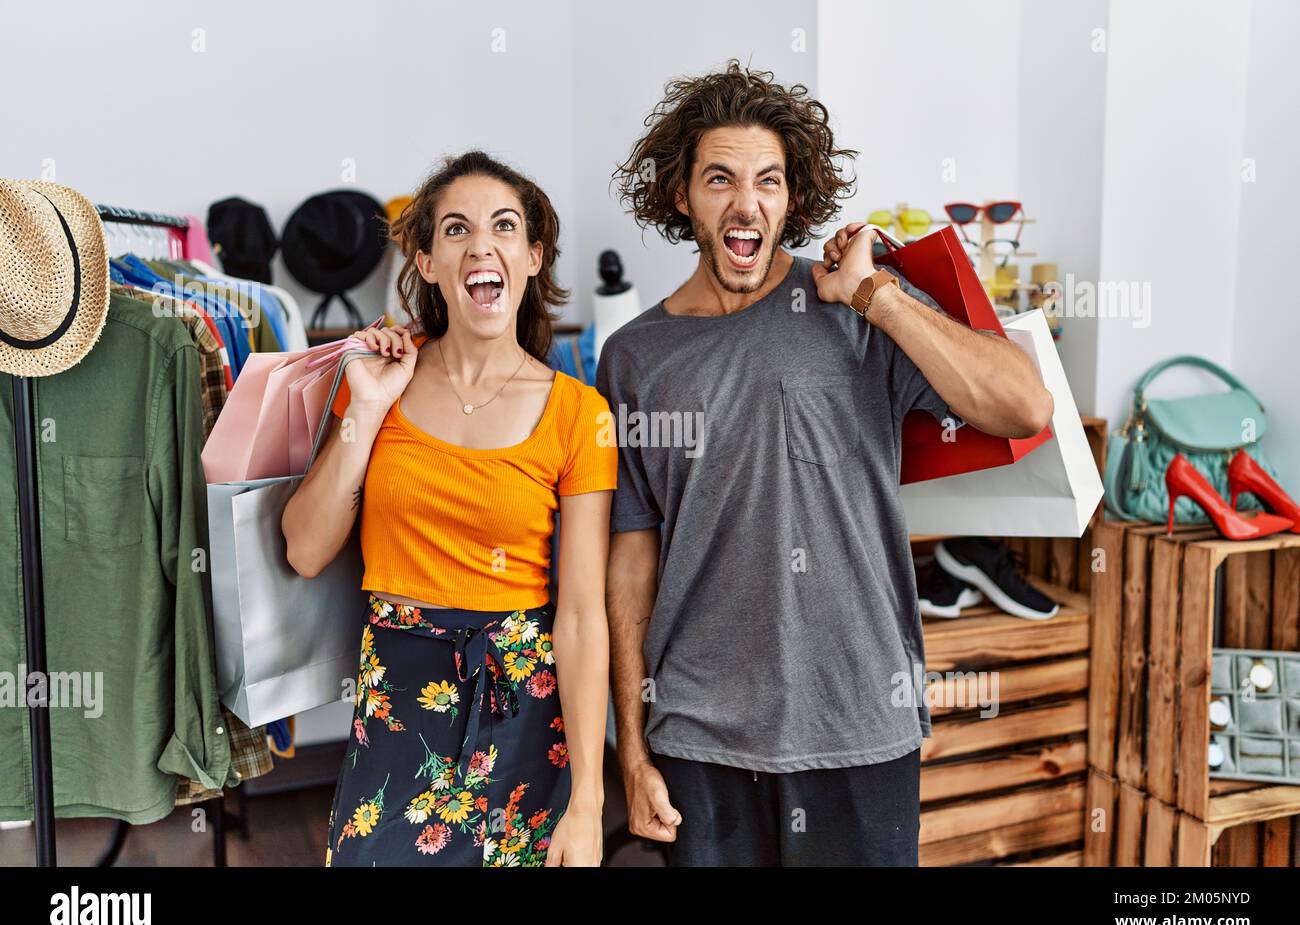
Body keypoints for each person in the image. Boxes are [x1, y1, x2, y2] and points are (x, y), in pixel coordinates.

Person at [600, 61, 1054, 866]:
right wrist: (631, 753)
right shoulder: (635, 357)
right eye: (720, 179)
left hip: (857, 717)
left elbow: (1025, 407)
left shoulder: (855, 308)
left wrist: (878, 297)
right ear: (680, 196)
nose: (747, 203)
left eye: (769, 181)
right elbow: (631, 557)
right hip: (700, 733)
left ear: (792, 195)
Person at [283, 151, 616, 867]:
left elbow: (585, 615)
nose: (481, 245)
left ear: (532, 257)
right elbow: (305, 551)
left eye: (503, 226)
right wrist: (365, 411)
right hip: (397, 698)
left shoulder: (578, 414)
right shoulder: (375, 382)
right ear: (429, 261)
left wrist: (589, 800)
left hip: (522, 705)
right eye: (456, 229)